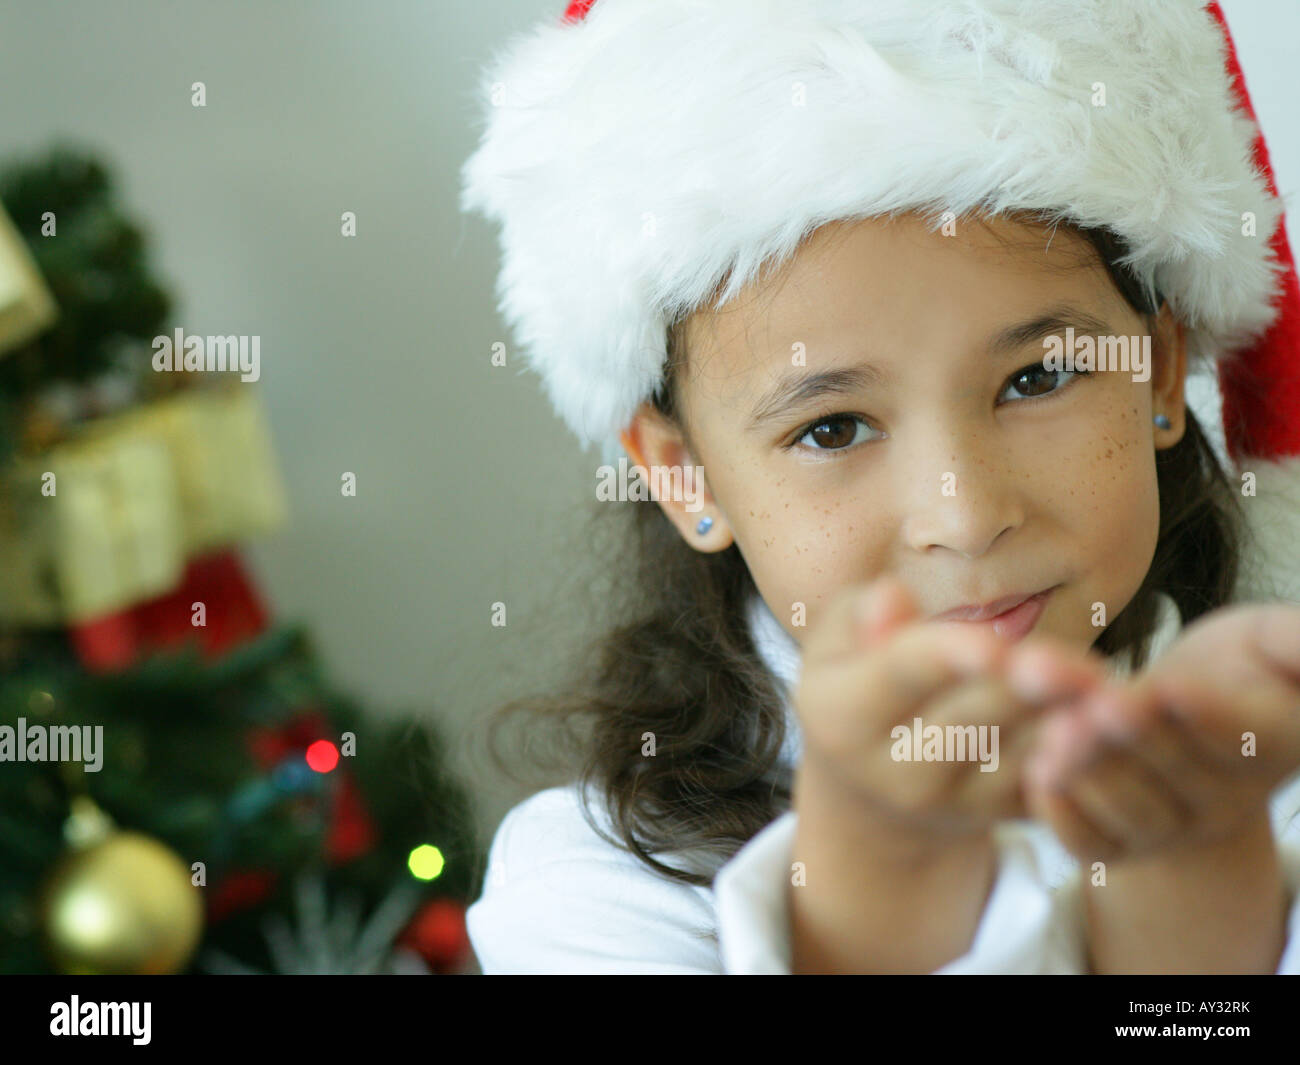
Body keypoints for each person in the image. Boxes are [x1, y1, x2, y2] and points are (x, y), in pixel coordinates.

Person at [457, 0, 1300, 973]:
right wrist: (876, 863)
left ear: (1157, 371)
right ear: (684, 477)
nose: (967, 515)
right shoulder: (597, 889)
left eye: (1036, 377)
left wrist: (1190, 859)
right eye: (832, 428)